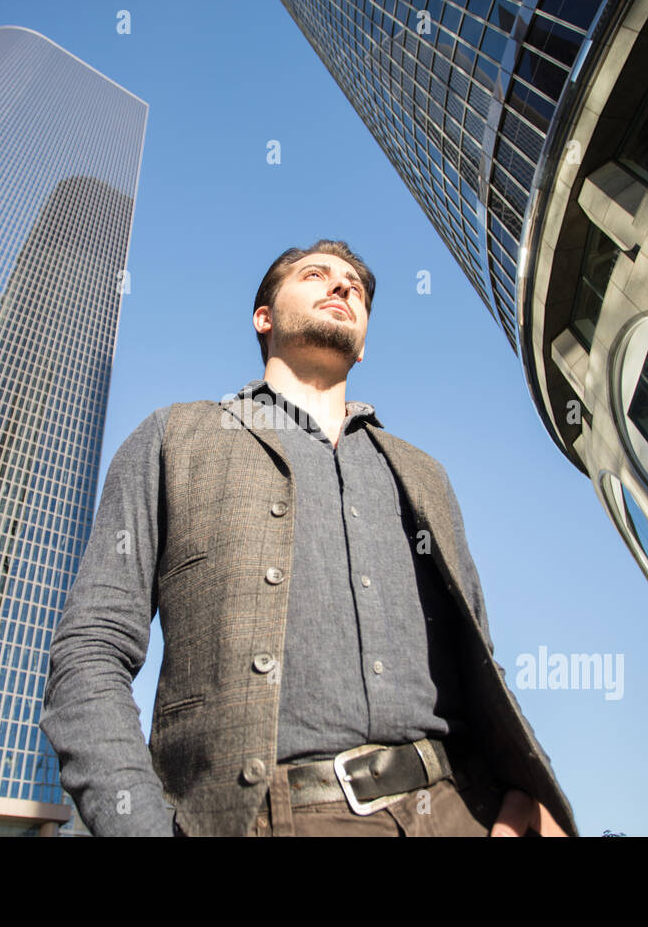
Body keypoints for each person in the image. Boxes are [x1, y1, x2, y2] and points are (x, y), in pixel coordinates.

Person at [40, 239, 576, 837]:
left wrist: (531, 793)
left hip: (461, 810)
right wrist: (140, 825)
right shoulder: (174, 437)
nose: (342, 286)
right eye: (315, 274)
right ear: (263, 318)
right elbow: (91, 650)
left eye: (356, 286)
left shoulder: (425, 474)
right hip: (275, 818)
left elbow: (483, 664)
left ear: (364, 345)